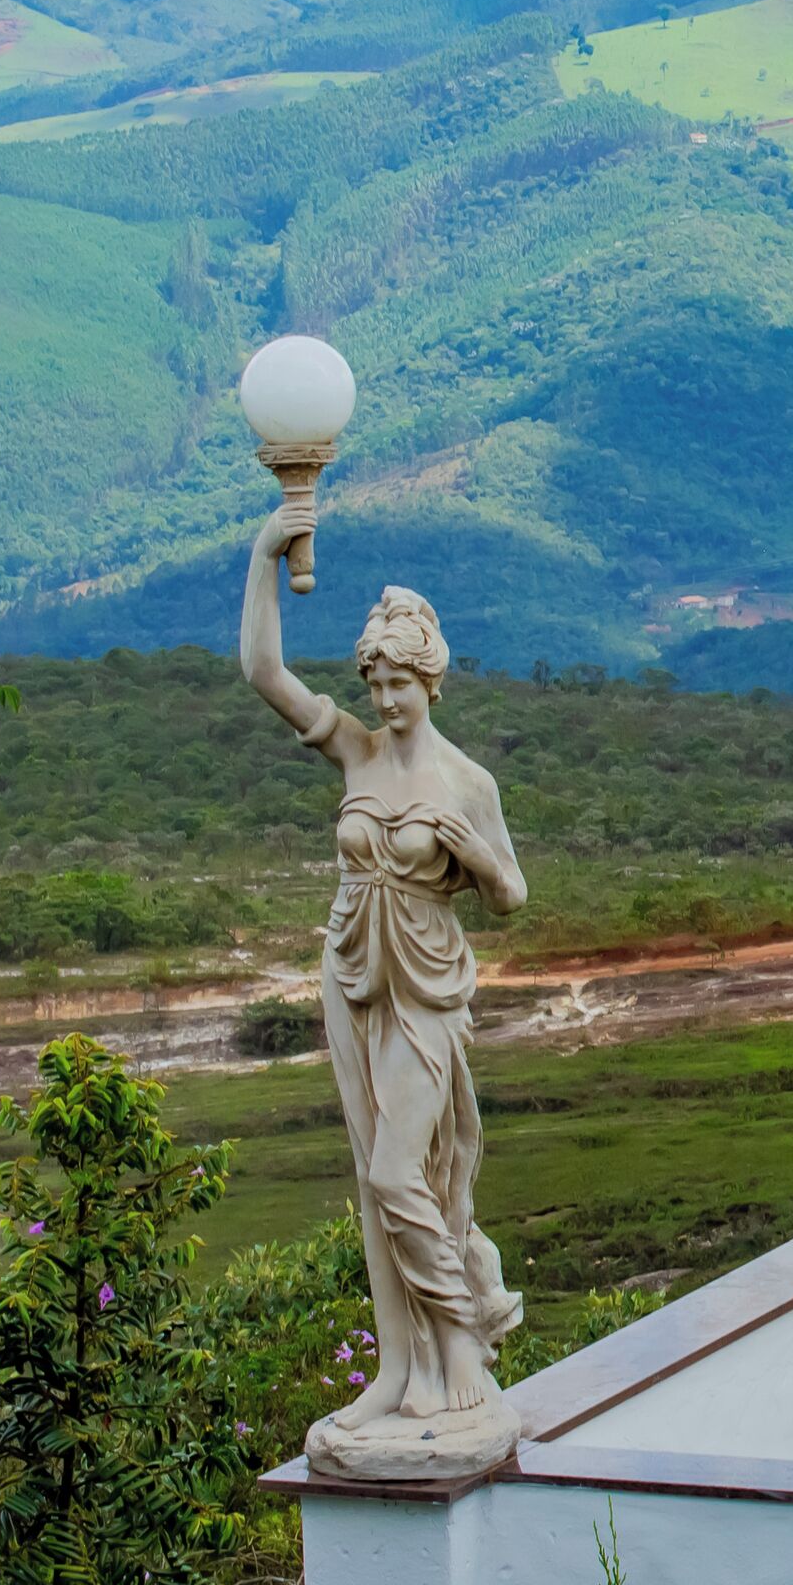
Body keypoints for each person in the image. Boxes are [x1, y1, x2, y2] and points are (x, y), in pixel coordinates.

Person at [241, 509, 528, 1471]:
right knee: (374, 1178)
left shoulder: (466, 779)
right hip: (350, 964)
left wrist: (478, 855)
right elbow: (265, 677)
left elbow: (512, 897)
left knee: (409, 1171)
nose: (385, 697)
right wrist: (263, 562)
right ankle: (399, 1371)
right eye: (374, 682)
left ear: (432, 681)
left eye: (399, 682)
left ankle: (462, 1354)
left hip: (428, 979)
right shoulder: (359, 756)